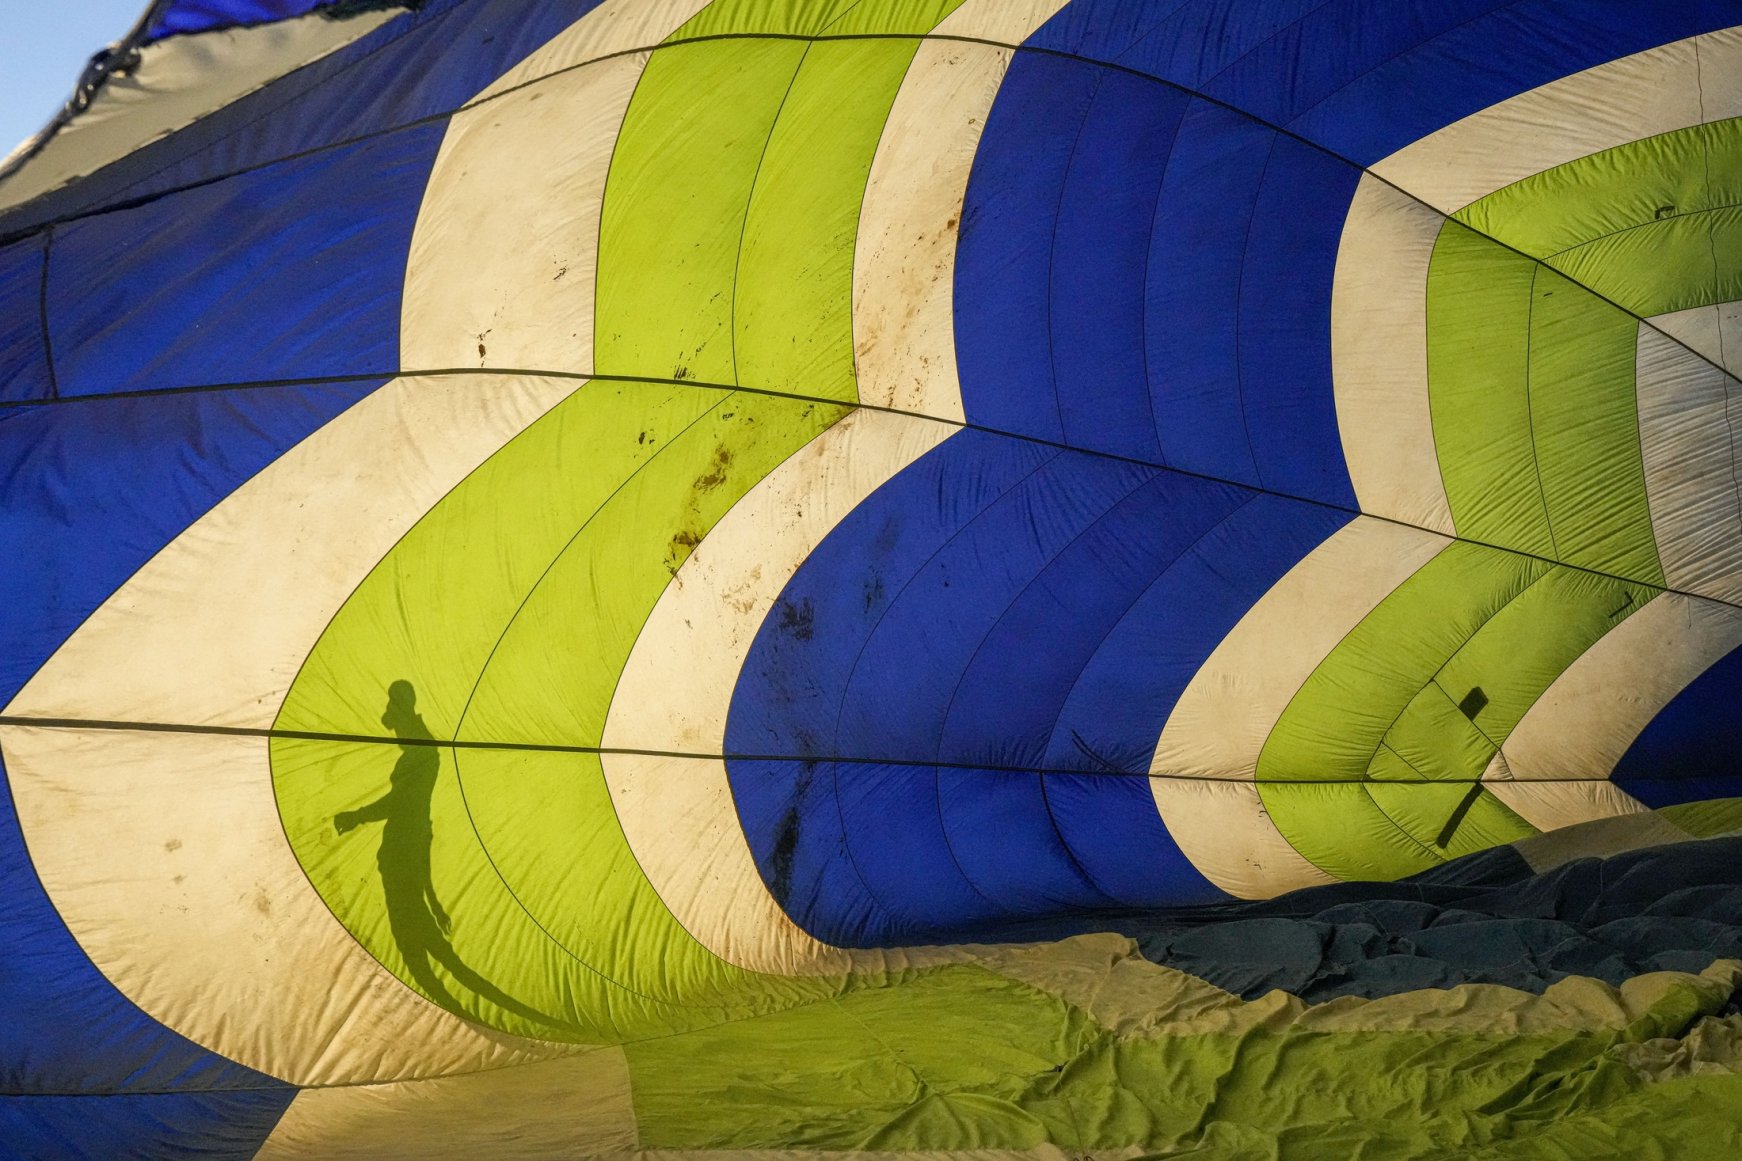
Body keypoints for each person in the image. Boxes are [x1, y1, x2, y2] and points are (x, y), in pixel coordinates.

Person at [335, 680, 566, 1030]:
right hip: (404, 854)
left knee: (423, 957)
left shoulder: (422, 754)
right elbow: (421, 843)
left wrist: (355, 816)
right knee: (432, 955)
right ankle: (475, 1020)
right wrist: (436, 903)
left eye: (396, 727)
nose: (394, 734)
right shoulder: (421, 754)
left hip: (401, 857)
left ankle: (473, 1023)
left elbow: (401, 805)